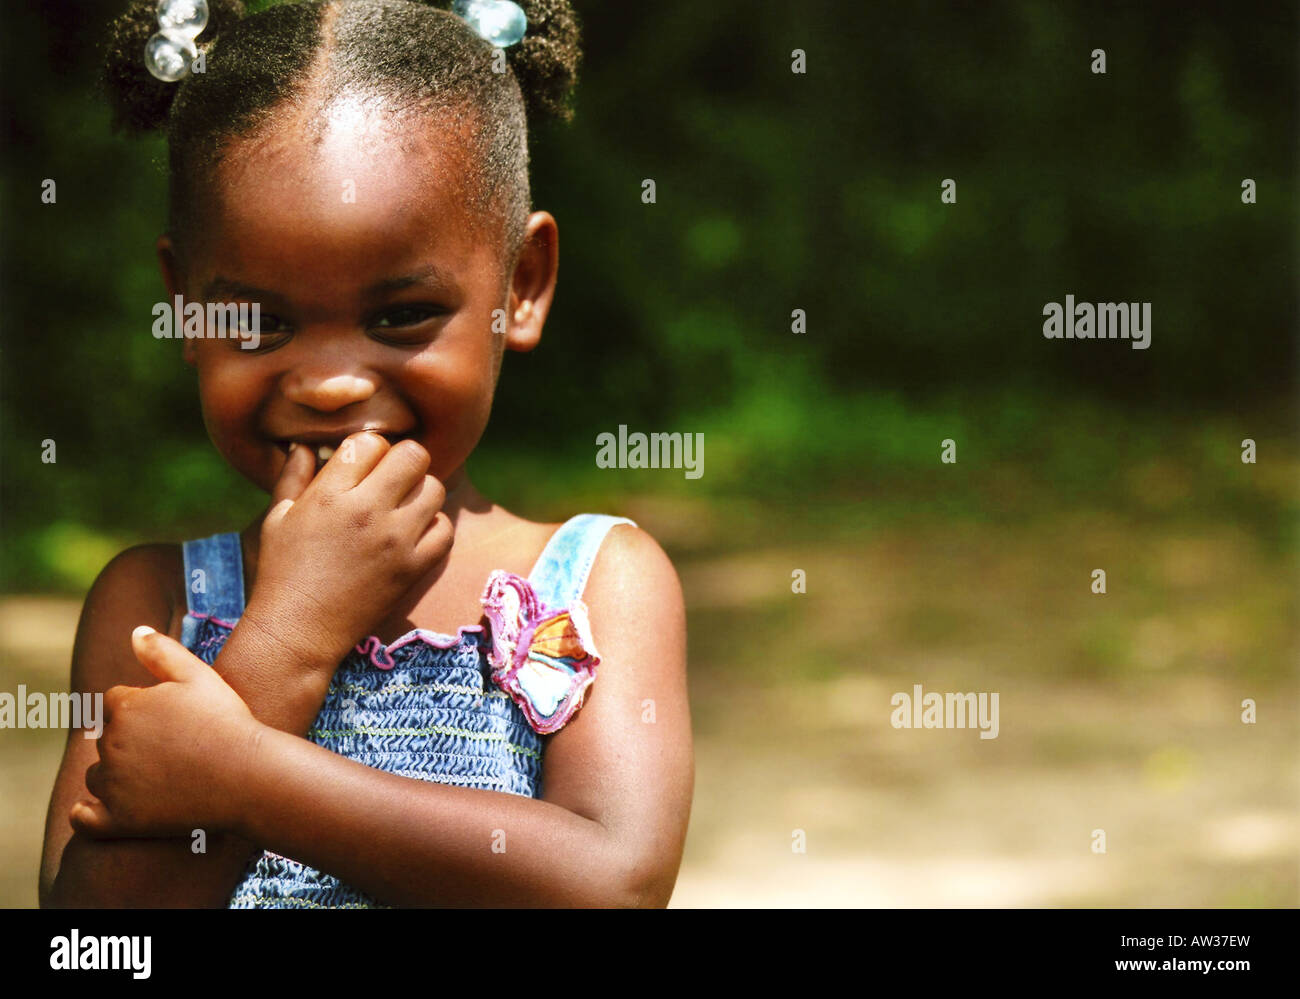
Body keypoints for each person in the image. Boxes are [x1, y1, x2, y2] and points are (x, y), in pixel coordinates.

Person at [39, 0, 692, 908]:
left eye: (401, 316)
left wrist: (249, 778)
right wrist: (286, 641)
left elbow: (611, 884)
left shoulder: (596, 584)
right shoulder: (154, 609)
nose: (333, 383)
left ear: (523, 286)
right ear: (187, 307)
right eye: (259, 322)